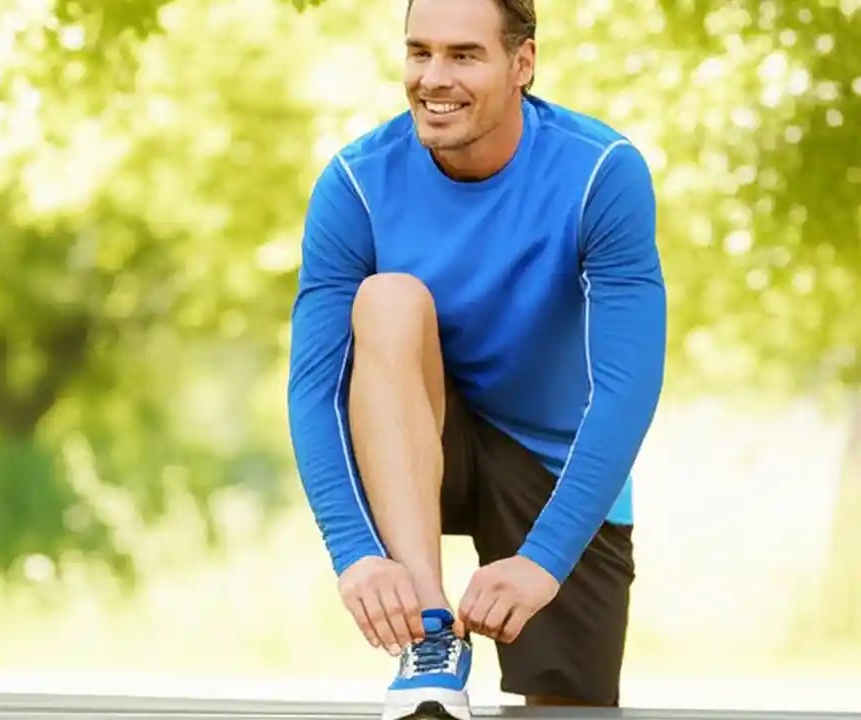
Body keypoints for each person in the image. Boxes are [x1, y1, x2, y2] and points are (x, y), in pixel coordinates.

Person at [285, 0, 667, 717]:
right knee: (389, 299)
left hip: (552, 461)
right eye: (418, 51)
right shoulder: (356, 182)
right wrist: (356, 555)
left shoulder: (601, 173)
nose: (434, 77)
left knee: (568, 707)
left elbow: (626, 386)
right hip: (413, 438)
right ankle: (431, 634)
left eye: (464, 55)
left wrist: (544, 560)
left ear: (522, 65)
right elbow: (314, 389)